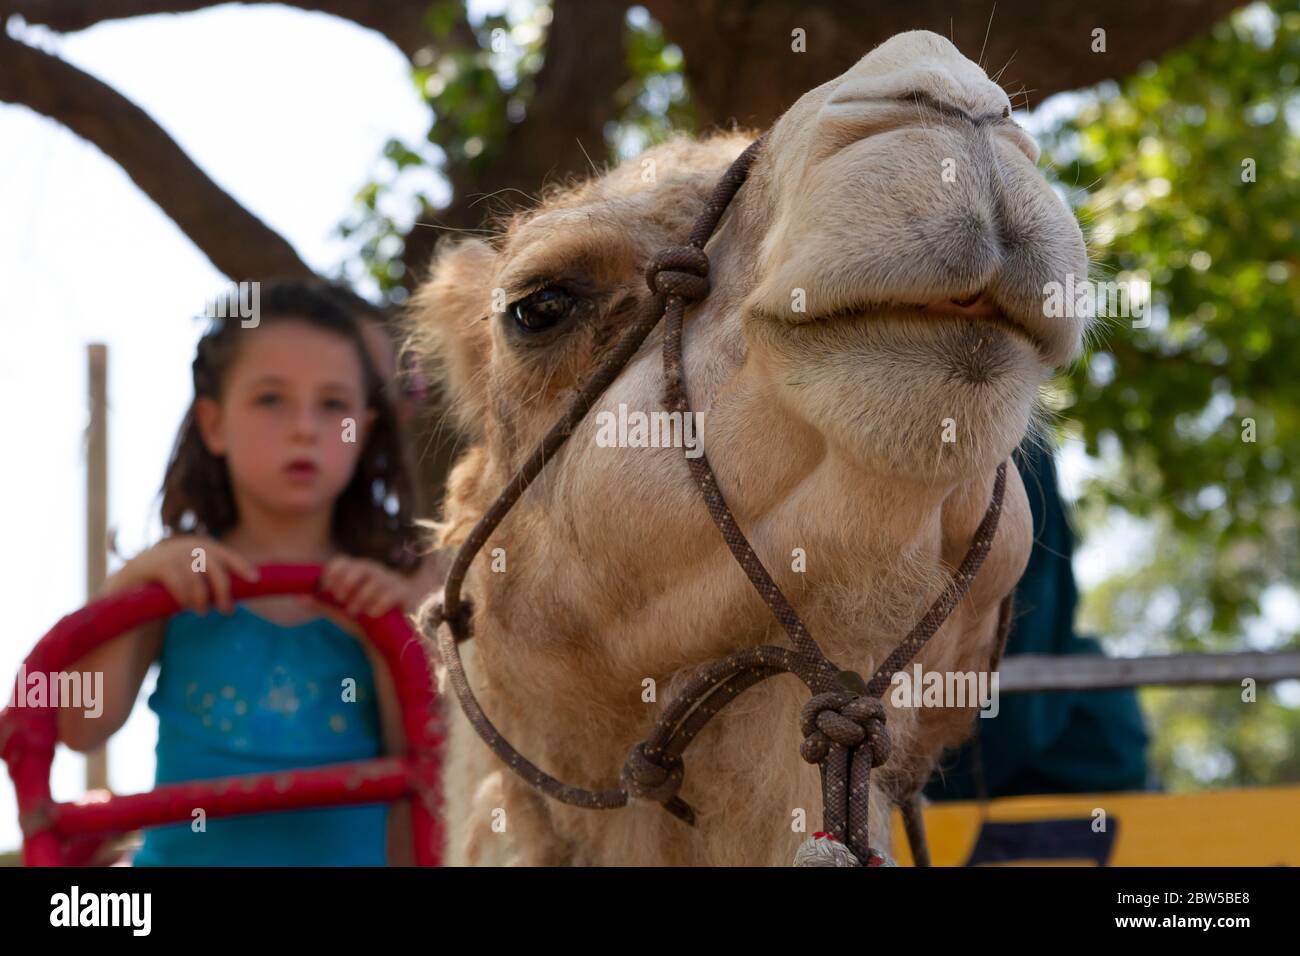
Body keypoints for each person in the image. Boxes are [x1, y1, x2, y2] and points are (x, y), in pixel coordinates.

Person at [57, 280, 442, 865]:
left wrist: (392, 638)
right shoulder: (176, 583)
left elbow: (428, 765)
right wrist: (131, 583)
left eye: (333, 405)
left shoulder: (397, 589)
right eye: (270, 399)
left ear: (361, 432)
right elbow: (78, 725)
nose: (304, 428)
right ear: (214, 425)